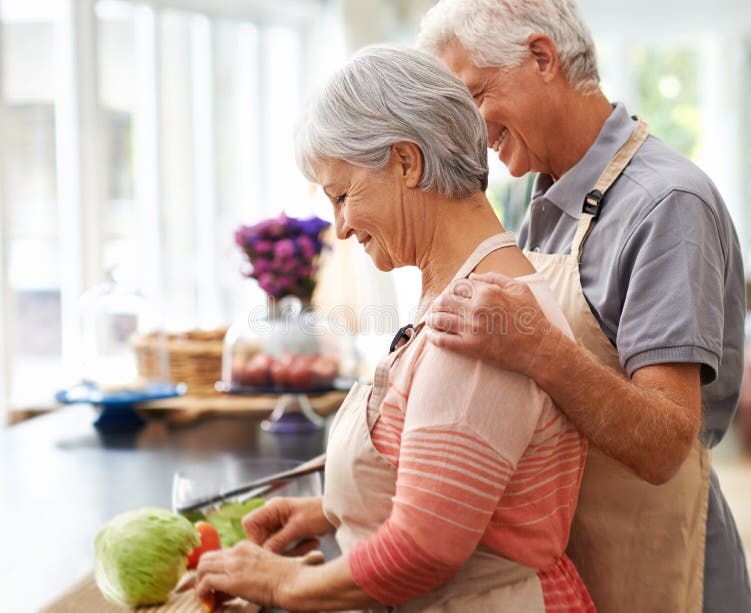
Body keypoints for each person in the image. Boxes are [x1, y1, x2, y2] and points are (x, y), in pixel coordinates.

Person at [195, 45, 595, 612]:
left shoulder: (481, 321)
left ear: (406, 161)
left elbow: (425, 548)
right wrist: (337, 509)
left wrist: (279, 583)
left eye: (342, 195)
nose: (340, 225)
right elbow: (455, 489)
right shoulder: (463, 290)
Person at [416, 1, 751, 612]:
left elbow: (664, 444)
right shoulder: (537, 198)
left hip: (656, 558)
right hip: (572, 559)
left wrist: (536, 349)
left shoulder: (666, 204)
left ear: (541, 58)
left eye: (475, 96)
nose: (469, 127)